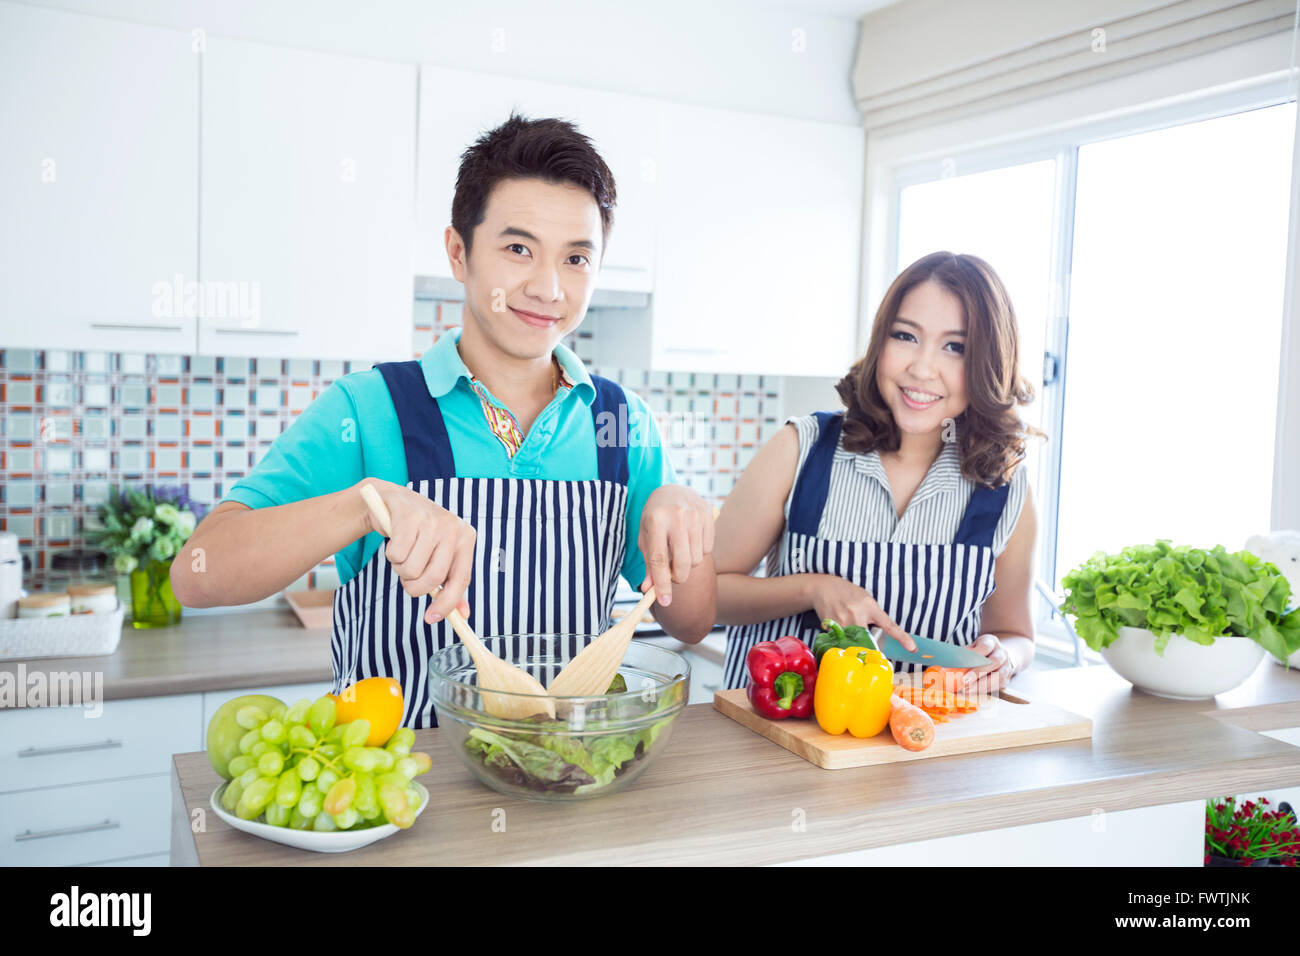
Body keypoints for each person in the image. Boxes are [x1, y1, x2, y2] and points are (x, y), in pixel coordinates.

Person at [172, 113, 716, 727]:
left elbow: (691, 622)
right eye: (518, 249)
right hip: (402, 795)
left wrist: (682, 514)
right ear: (459, 253)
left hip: (564, 782)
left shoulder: (621, 423)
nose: (548, 287)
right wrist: (365, 502)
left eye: (576, 259)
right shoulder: (369, 408)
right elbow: (200, 575)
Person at [713, 251, 1039, 697]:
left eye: (955, 347)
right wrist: (811, 588)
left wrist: (1005, 656)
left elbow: (1015, 634)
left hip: (922, 746)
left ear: (988, 362)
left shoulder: (1004, 487)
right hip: (777, 738)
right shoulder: (803, 449)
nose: (922, 369)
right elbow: (708, 596)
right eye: (905, 336)